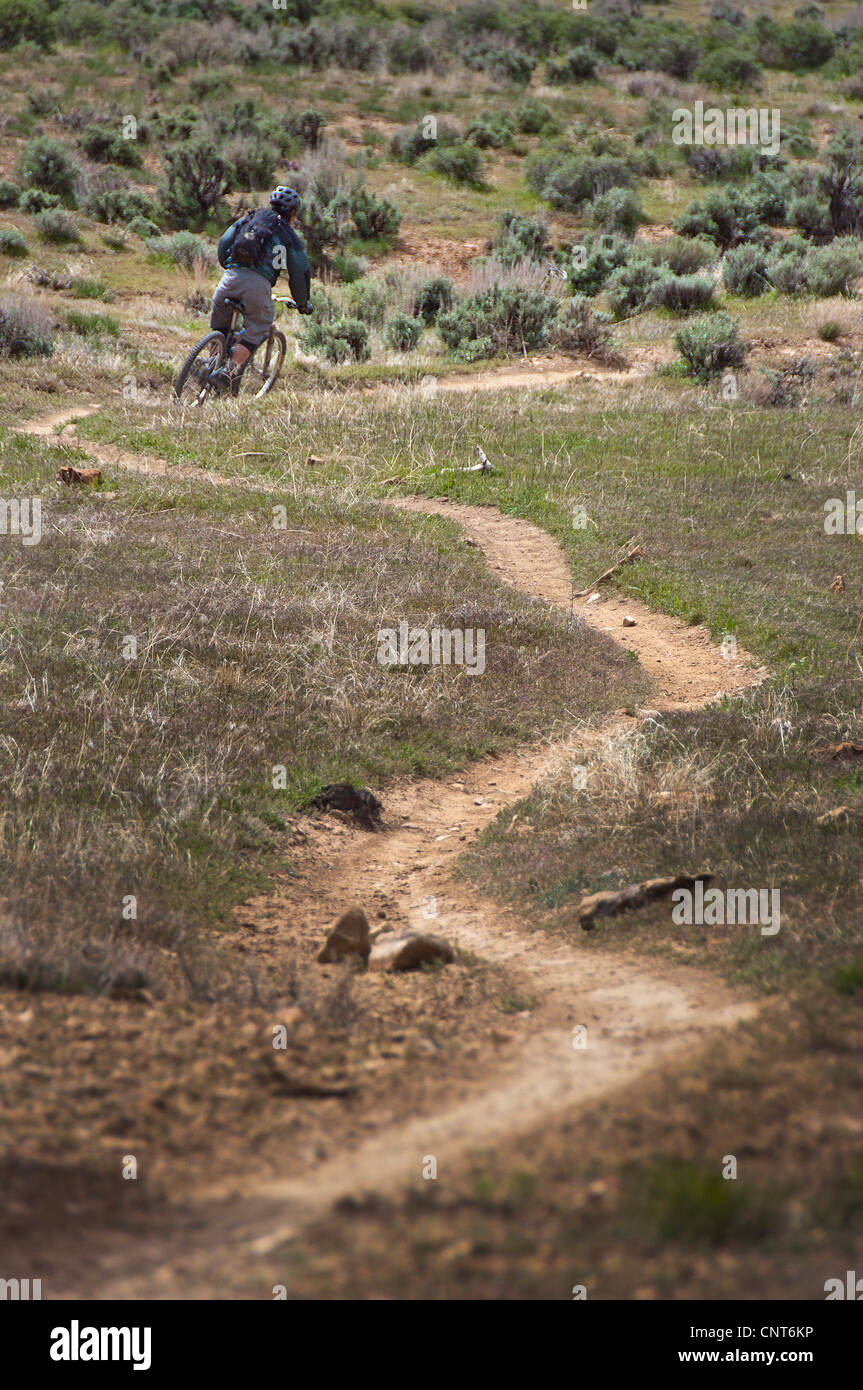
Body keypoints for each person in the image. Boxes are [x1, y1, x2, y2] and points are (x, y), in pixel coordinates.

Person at [208, 186, 313, 394]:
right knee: (259, 326)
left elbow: (224, 244)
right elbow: (299, 272)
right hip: (257, 286)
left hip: (229, 278)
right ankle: (228, 372)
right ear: (292, 212)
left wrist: (230, 266)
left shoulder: (250, 219)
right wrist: (302, 303)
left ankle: (210, 367)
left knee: (220, 328)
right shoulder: (287, 234)